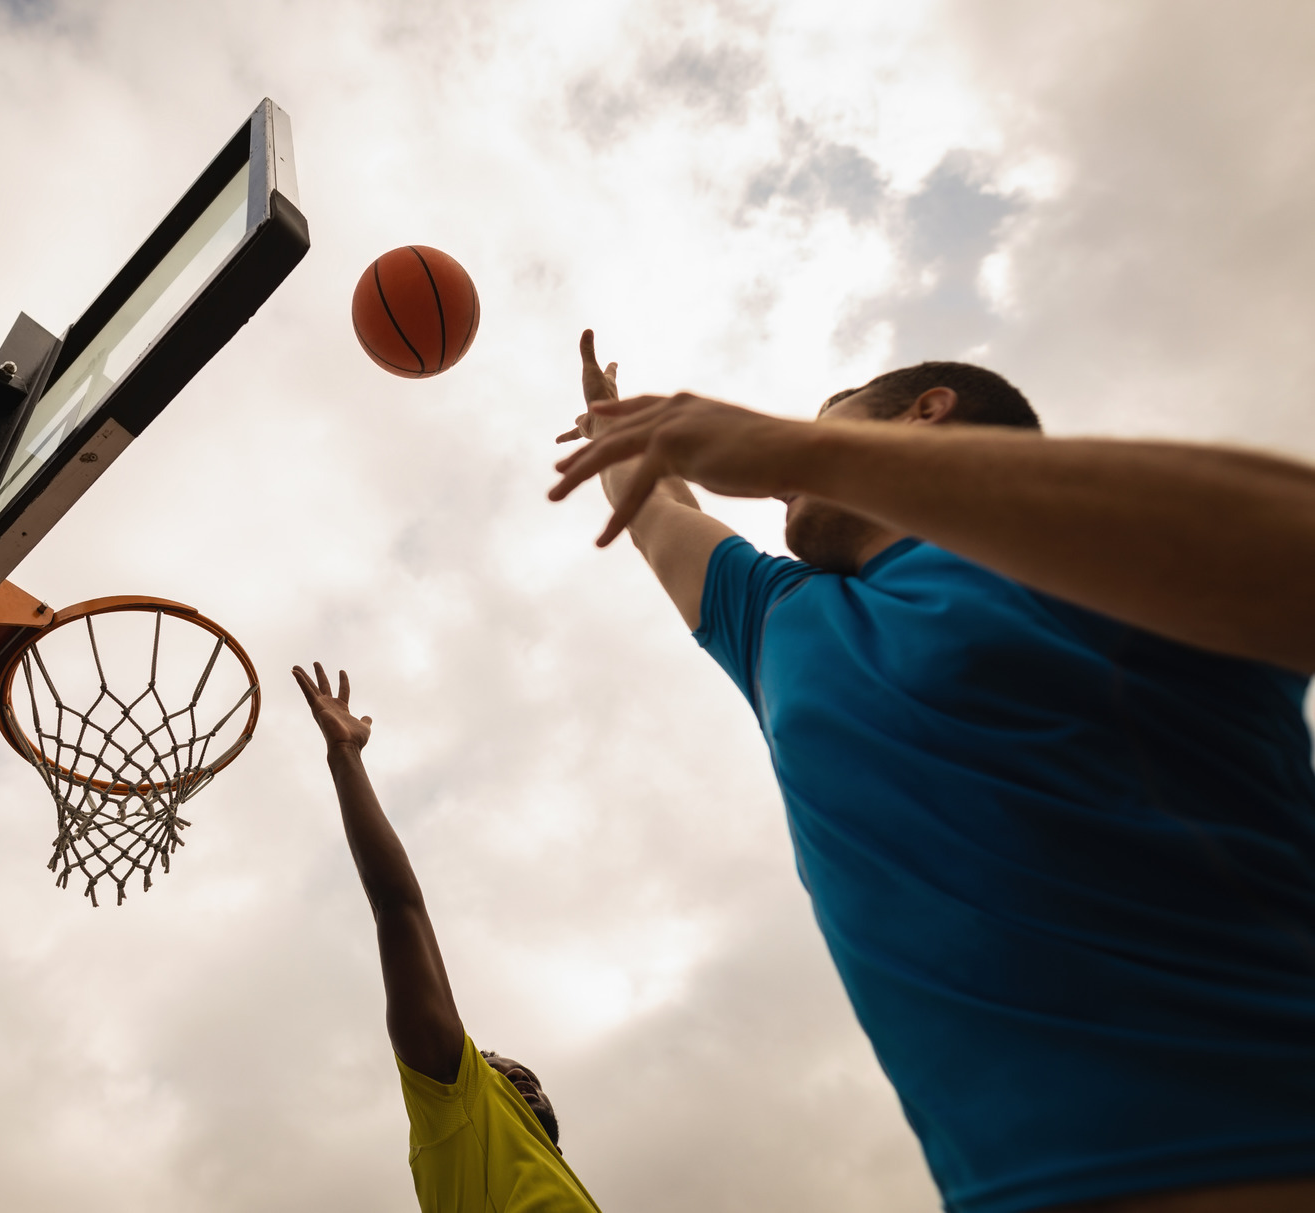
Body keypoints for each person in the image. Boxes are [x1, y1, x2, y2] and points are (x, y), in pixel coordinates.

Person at [547, 333, 1315, 1213]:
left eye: (824, 424)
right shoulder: (778, 622)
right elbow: (655, 514)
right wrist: (626, 432)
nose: (781, 477)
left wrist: (793, 446)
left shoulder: (1093, 544)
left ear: (928, 409)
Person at [292, 662, 602, 1213]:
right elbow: (397, 904)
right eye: (504, 1075)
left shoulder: (550, 1174)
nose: (523, 1080)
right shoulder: (460, 1106)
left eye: (527, 1077)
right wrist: (345, 757)